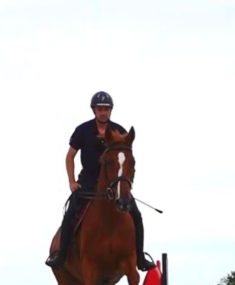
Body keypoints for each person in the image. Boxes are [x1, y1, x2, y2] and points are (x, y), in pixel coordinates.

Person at [46, 91, 154, 270]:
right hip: (88, 182)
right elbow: (70, 157)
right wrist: (72, 182)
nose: (103, 112)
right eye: (100, 109)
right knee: (70, 213)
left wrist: (125, 183)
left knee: (136, 215)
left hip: (114, 184)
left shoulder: (120, 130)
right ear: (94, 110)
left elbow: (126, 159)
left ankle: (140, 258)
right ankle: (61, 255)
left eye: (106, 109)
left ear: (110, 110)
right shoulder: (82, 130)